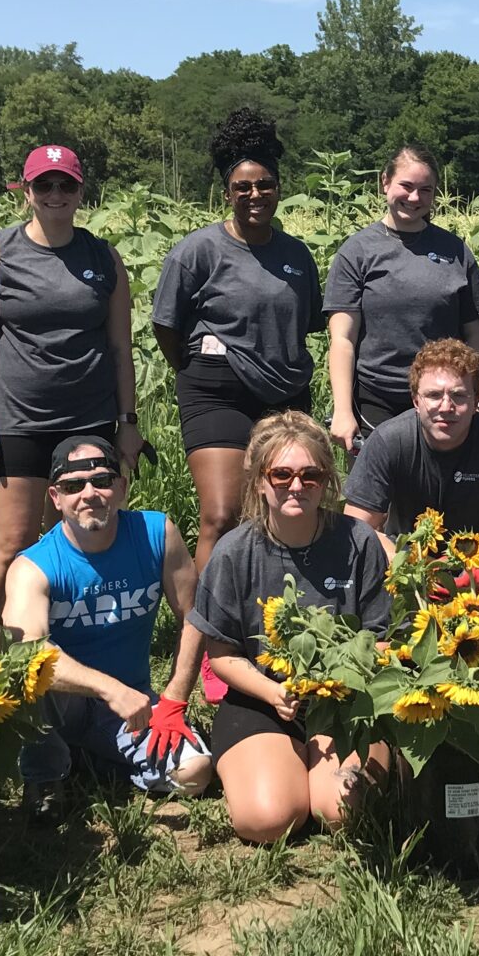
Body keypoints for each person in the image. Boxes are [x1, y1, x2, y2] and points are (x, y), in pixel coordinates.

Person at [153, 109, 323, 699]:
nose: (254, 195)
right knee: (223, 516)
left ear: (279, 187)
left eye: (264, 185)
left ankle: (276, 631)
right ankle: (207, 649)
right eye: (241, 187)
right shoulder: (196, 252)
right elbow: (167, 329)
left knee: (284, 513)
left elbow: (306, 321)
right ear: (226, 191)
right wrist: (206, 366)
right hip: (216, 385)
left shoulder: (297, 255)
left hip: (284, 390)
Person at [0, 144, 140, 629]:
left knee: (75, 536)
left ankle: (58, 641)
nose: (56, 194)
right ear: (26, 191)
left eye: (66, 184)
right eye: (44, 184)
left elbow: (121, 346)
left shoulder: (103, 257)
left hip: (89, 421)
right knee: (12, 543)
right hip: (18, 421)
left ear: (82, 191)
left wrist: (128, 423)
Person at [193, 413, 393, 844]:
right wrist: (273, 693)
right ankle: (280, 768)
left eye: (310, 475)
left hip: (346, 699)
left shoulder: (359, 542)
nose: (296, 486)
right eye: (281, 474)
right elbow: (222, 654)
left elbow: (380, 638)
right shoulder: (233, 554)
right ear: (260, 482)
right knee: (267, 821)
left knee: (341, 811)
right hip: (260, 699)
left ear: (327, 481)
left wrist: (338, 681)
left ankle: (318, 773)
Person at [2, 437, 214, 822]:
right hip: (61, 703)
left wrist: (174, 699)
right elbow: (26, 654)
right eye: (72, 486)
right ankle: (45, 775)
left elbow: (192, 616)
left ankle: (92, 756)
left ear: (122, 487)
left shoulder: (157, 534)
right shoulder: (33, 566)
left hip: (129, 703)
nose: (89, 494)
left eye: (101, 480)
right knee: (30, 678)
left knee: (194, 773)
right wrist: (109, 689)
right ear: (55, 497)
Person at [327, 144, 479, 452]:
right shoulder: (357, 252)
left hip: (445, 401)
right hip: (377, 398)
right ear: (385, 182)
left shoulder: (454, 251)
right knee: (378, 498)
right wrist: (342, 410)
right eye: (406, 186)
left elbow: (475, 337)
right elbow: (342, 339)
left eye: (425, 190)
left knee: (444, 498)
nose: (415, 198)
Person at [342, 339, 479, 585]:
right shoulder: (388, 441)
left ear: (475, 402)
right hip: (407, 557)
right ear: (416, 401)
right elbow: (356, 526)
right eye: (433, 395)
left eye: (459, 396)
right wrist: (411, 571)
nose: (446, 406)